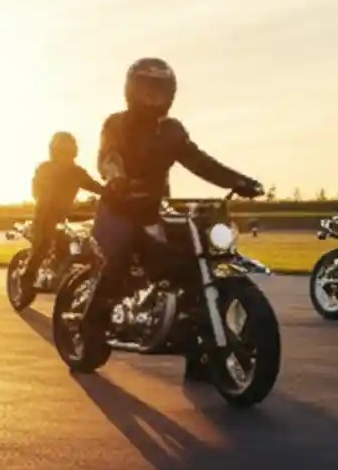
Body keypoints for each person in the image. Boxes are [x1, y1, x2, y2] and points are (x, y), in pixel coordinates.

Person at [84, 58, 263, 368]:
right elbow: (108, 155)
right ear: (131, 91)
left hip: (152, 211)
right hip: (118, 208)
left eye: (160, 91)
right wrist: (116, 177)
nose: (153, 97)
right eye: (146, 90)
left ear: (171, 94)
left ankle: (200, 353)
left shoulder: (172, 131)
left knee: (188, 267)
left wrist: (239, 181)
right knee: (119, 259)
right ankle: (91, 328)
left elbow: (199, 162)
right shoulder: (116, 123)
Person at [14, 131, 104, 309]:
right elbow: (37, 189)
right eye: (62, 150)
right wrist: (47, 199)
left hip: (62, 216)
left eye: (69, 151)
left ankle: (65, 280)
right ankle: (26, 281)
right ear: (54, 151)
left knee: (76, 245)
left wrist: (112, 193)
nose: (66, 154)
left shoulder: (77, 172)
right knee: (43, 244)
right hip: (44, 215)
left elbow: (95, 186)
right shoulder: (45, 168)